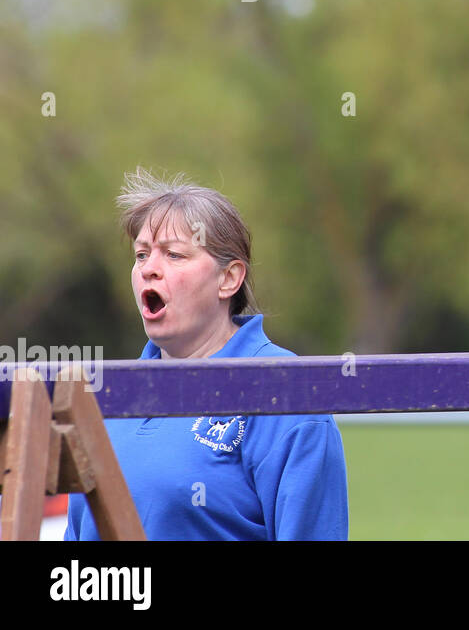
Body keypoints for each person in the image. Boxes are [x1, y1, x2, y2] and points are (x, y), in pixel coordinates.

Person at [65, 168, 348, 540]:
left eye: (174, 254)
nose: (149, 269)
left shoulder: (287, 394)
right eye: (141, 254)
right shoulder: (108, 397)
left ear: (229, 279)